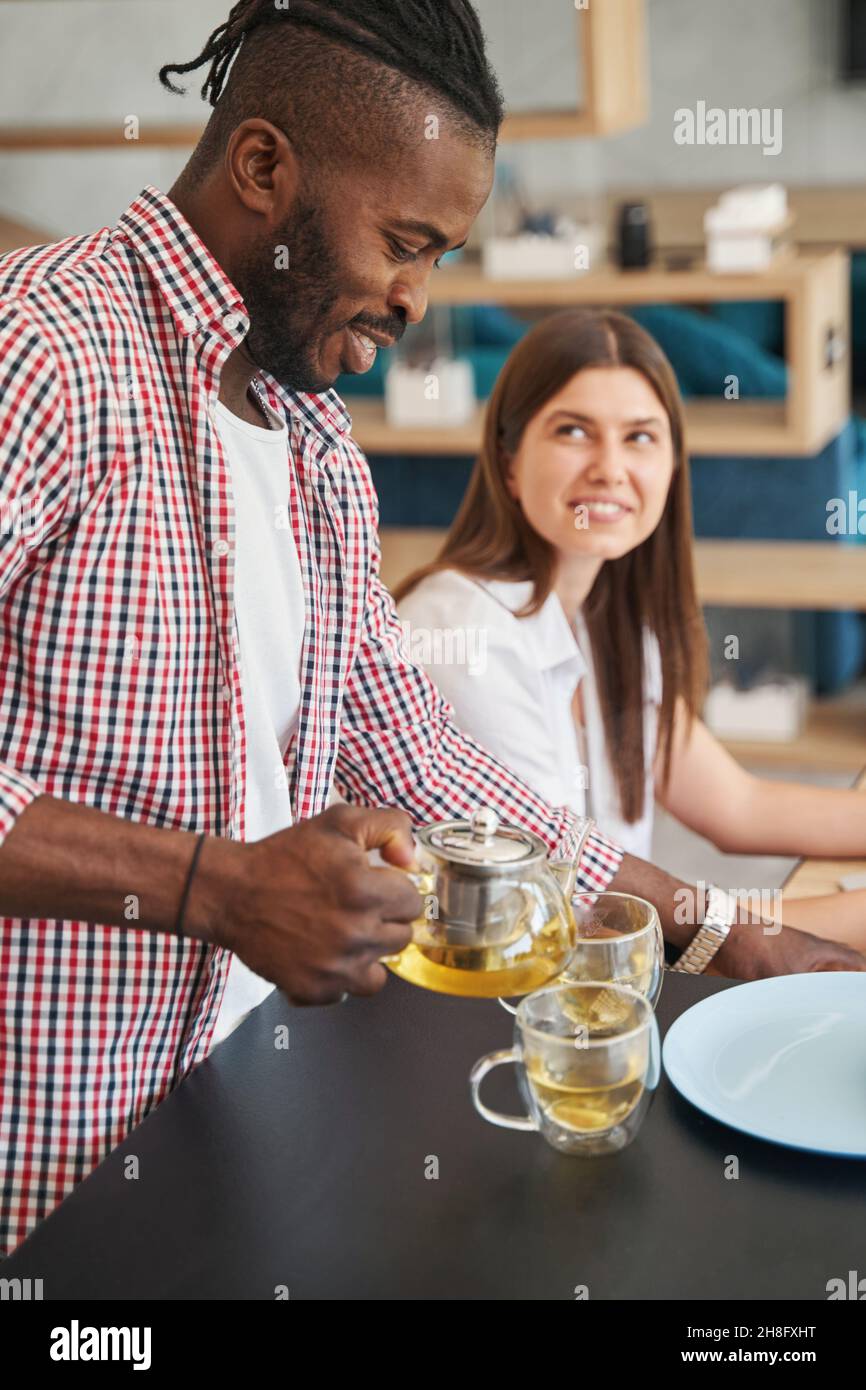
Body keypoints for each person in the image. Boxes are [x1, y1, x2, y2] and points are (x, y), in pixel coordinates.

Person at [0, 3, 858, 1258]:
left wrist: (726, 931)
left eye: (440, 255)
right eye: (402, 241)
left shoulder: (320, 455)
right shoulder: (43, 352)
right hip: (46, 1162)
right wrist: (217, 884)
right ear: (260, 167)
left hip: (237, 1107)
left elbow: (425, 762)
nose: (413, 298)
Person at [395, 308, 866, 952]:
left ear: (672, 466)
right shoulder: (463, 630)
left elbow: (738, 807)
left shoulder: (608, 612)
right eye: (573, 432)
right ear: (508, 461)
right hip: (503, 1005)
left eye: (641, 437)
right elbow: (573, 916)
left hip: (599, 993)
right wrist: (841, 920)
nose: (611, 468)